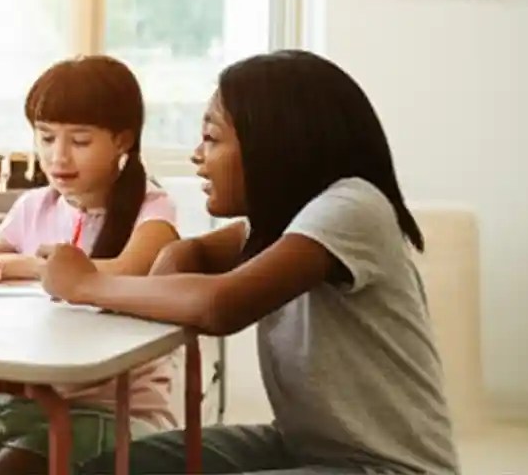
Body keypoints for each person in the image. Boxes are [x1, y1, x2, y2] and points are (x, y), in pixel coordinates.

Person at [42, 50, 458, 474]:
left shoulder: (351, 206)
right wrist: (176, 259)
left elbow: (221, 306)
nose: (197, 156)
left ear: (276, 142)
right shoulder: (283, 221)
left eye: (212, 138)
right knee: (111, 469)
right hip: (300, 445)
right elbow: (197, 252)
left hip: (386, 468)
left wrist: (86, 284)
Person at [0, 55, 182, 475]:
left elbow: (121, 273)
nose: (58, 156)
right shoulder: (33, 205)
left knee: (16, 468)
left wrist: (23, 266)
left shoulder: (154, 210)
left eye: (79, 142)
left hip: (110, 408)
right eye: (45, 138)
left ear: (122, 140)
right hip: (23, 399)